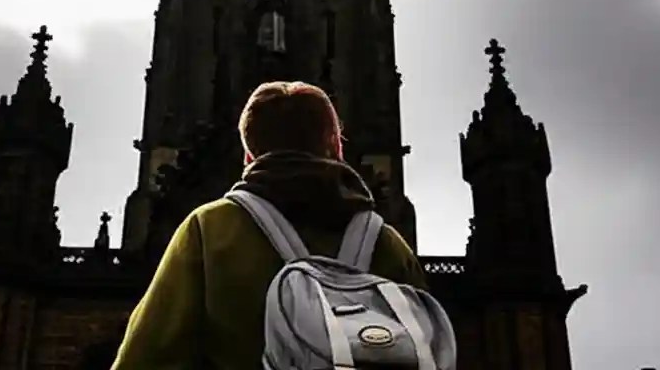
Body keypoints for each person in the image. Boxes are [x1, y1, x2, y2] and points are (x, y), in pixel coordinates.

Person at [111, 81, 427, 369]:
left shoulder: (209, 230)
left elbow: (144, 359)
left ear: (249, 154)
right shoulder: (387, 243)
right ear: (335, 145)